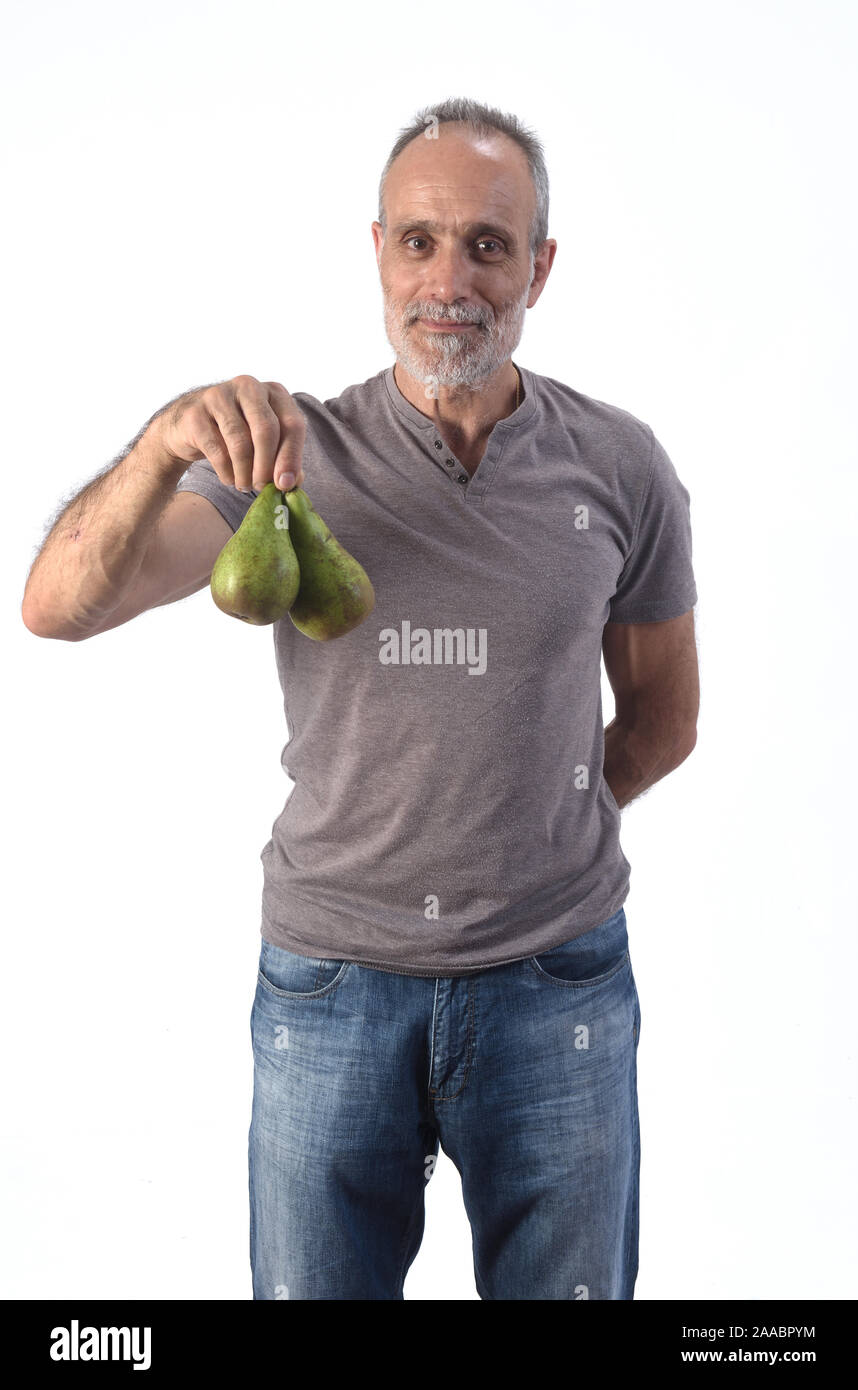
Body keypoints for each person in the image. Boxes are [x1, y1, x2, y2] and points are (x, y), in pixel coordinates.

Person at [22, 96, 700, 1300]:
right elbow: (60, 605)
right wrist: (159, 449)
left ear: (538, 267)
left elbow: (661, 721)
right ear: (376, 252)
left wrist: (524, 833)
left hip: (558, 985)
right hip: (329, 986)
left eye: (488, 245)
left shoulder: (619, 463)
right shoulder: (286, 460)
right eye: (418, 240)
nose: (450, 278)